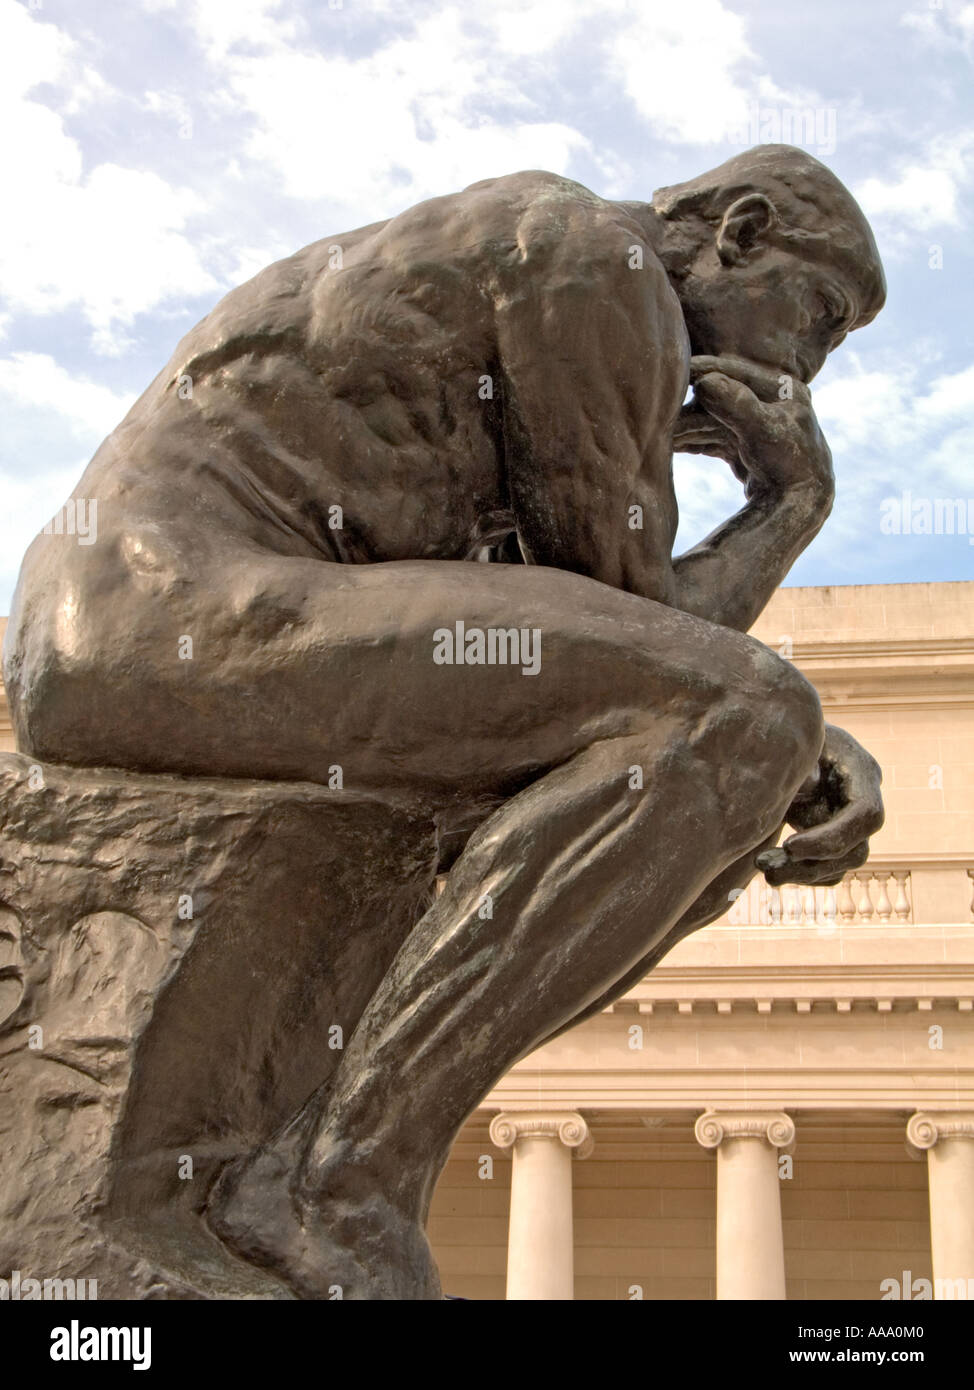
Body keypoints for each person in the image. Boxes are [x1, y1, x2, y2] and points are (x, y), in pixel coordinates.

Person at [2, 144, 886, 1299]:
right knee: (742, 724)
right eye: (815, 314)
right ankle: (339, 1188)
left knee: (729, 776)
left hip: (148, 618)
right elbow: (653, 630)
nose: (803, 367)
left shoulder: (543, 282)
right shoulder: (592, 257)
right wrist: (788, 505)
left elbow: (603, 648)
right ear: (739, 230)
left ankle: (326, 1163)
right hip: (159, 612)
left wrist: (780, 743)